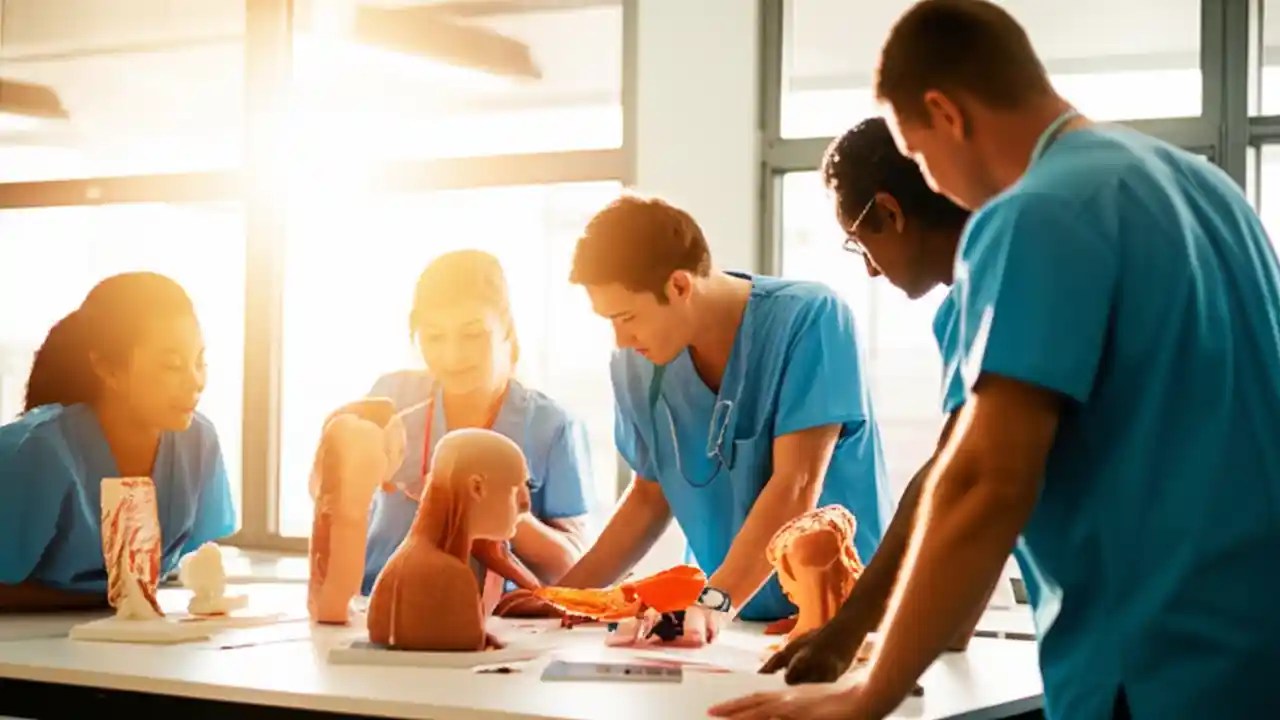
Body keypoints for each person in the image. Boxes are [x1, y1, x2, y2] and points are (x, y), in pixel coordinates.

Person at [710, 1, 1280, 719]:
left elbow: (985, 480)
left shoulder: (1036, 212)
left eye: (920, 157)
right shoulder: (1208, 190)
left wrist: (868, 694)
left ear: (944, 113)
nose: (934, 186)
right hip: (1254, 652)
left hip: (1150, 664)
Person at [505, 193, 892, 643]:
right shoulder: (637, 364)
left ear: (679, 286)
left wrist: (715, 603)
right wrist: (567, 596)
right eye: (609, 320)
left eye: (627, 317)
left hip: (842, 619)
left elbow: (796, 483)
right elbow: (650, 497)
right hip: (729, 622)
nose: (620, 338)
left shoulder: (810, 319)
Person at [758, 116, 993, 683]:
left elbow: (956, 476)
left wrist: (847, 631)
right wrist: (943, 627)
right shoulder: (994, 283)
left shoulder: (993, 292)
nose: (868, 267)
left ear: (890, 212)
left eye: (861, 241)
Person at [361, 250, 595, 595]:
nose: (452, 355)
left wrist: (497, 509)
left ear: (507, 329)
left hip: (497, 618)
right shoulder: (391, 399)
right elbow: (337, 503)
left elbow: (573, 565)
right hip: (379, 603)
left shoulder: (551, 426)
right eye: (434, 337)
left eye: (472, 335)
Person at [0, 272, 236, 611]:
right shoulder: (36, 452)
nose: (195, 381)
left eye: (200, 361)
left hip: (132, 635)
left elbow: (195, 561)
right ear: (108, 368)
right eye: (172, 365)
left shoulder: (199, 443)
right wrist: (111, 598)